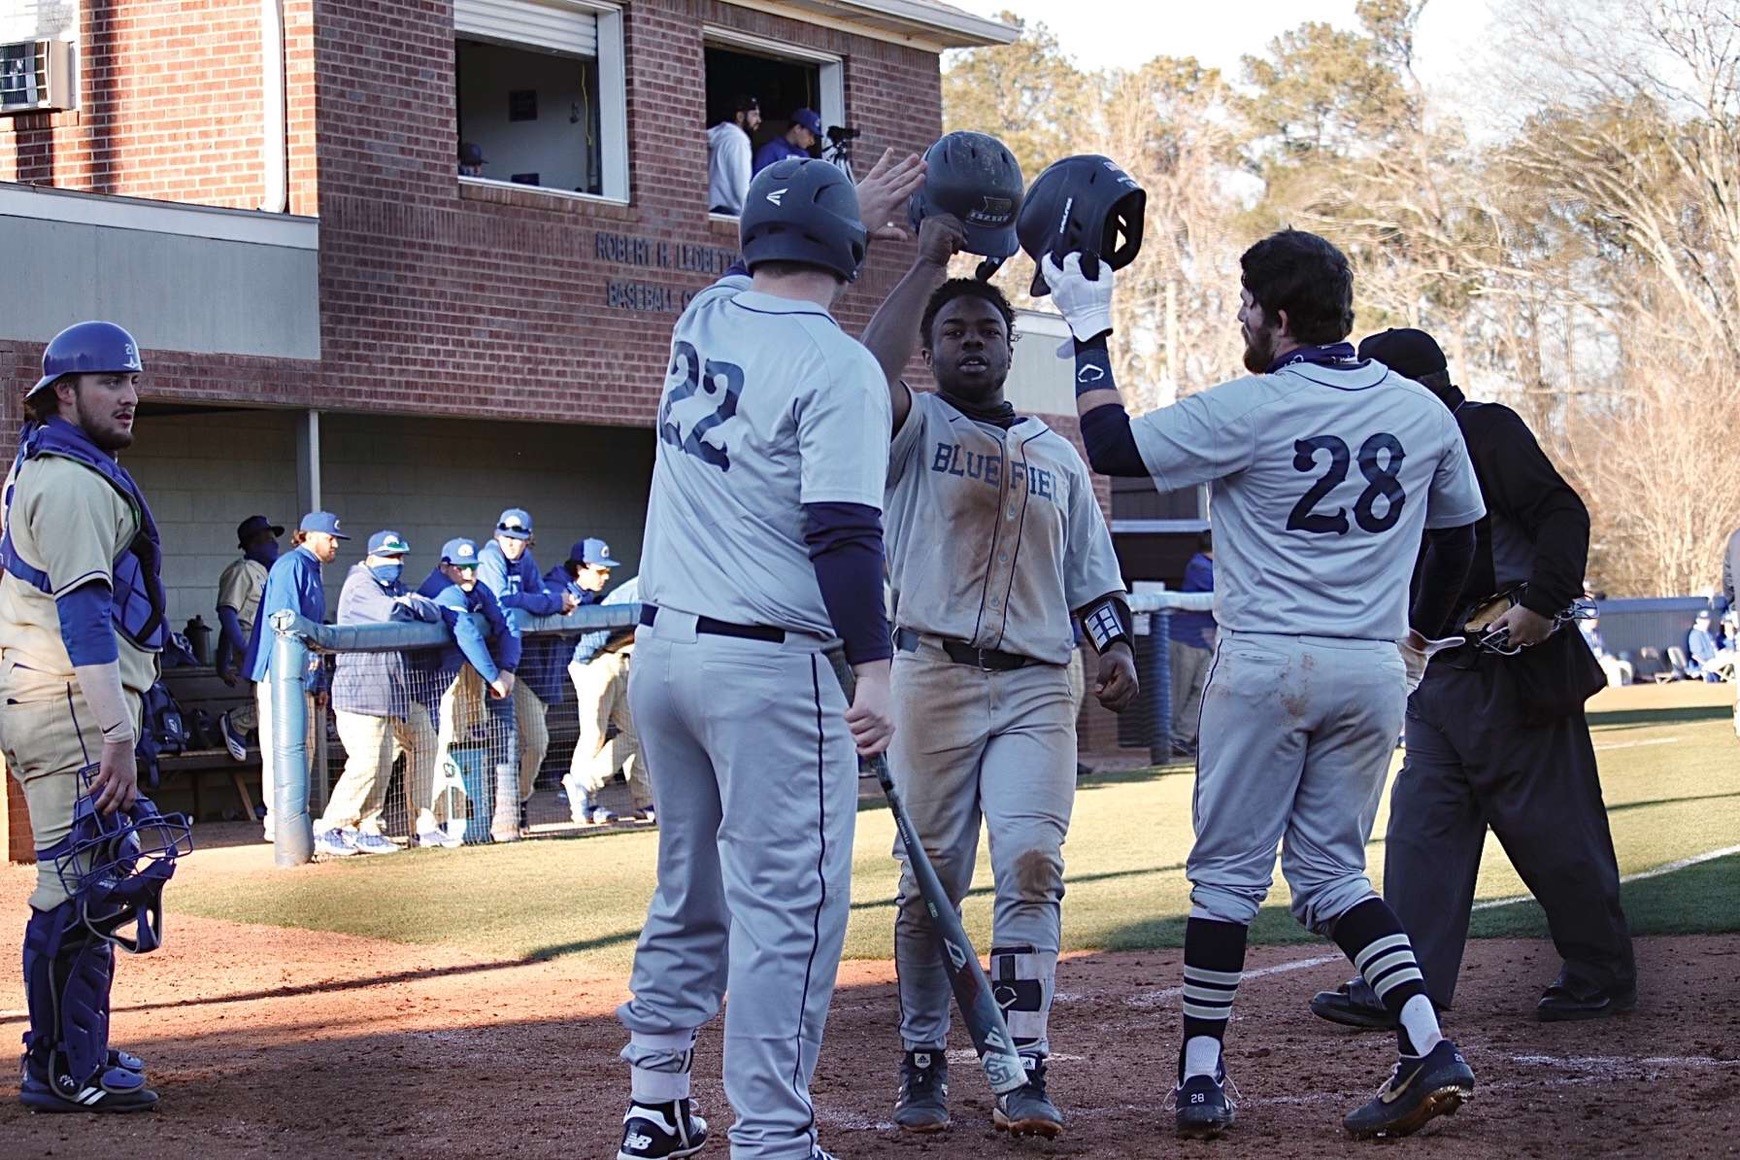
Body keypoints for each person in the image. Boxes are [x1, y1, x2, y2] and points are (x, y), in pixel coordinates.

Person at [1050, 229, 1487, 1140]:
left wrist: (1088, 329)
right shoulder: (1420, 412)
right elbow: (1461, 540)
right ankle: (1426, 1041)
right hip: (1372, 667)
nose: (1241, 316)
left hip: (1268, 662)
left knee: (1225, 880)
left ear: (1280, 316)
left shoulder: (1257, 405)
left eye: (1248, 303)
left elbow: (1113, 446)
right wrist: (1418, 634)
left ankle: (1202, 1076)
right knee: (1333, 872)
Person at [615, 151, 918, 1160]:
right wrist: (874, 665)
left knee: (687, 884)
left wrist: (840, 212)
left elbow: (769, 265)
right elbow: (842, 531)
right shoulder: (838, 367)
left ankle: (656, 1102)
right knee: (789, 904)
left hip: (660, 655)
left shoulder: (700, 318)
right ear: (844, 248)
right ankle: (776, 1135)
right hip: (766, 666)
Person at [859, 212, 1139, 1138]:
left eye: (987, 330)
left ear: (1012, 347)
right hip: (928, 675)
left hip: (1034, 685)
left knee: (1032, 864)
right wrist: (927, 264)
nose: (971, 342)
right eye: (953, 331)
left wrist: (1114, 648)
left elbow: (1093, 576)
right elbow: (870, 375)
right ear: (931, 350)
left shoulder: (1057, 455)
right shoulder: (909, 425)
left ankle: (1023, 1062)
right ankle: (923, 1056)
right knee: (929, 881)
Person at [1305, 327, 1636, 1041]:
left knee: (1554, 829)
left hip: (1514, 666)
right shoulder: (1393, 454)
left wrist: (1541, 606)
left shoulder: (1482, 428)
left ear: (1412, 386)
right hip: (1437, 671)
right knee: (1424, 827)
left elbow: (1562, 513)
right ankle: (1402, 981)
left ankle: (1600, 973)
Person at [1, 321, 177, 1111]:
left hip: (50, 696)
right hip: (72, 702)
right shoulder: (71, 482)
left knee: (81, 884)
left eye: (132, 380)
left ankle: (66, 1056)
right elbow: (83, 616)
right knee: (82, 889)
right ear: (63, 394)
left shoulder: (52, 465)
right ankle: (68, 1070)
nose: (130, 395)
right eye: (109, 381)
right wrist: (116, 734)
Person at [313, 531, 442, 857]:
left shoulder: (393, 587)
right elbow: (392, 613)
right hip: (359, 692)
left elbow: (430, 611)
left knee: (396, 755)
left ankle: (373, 826)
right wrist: (409, 604)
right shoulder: (360, 584)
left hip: (390, 692)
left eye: (399, 558)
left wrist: (411, 602)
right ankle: (331, 826)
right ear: (372, 557)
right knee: (367, 762)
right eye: (389, 558)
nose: (396, 564)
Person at [245, 511, 347, 843]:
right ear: (309, 536)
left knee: (304, 750)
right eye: (330, 538)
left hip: (303, 675)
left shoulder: (311, 569)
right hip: (279, 673)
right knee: (282, 749)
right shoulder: (291, 565)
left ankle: (292, 819)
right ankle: (278, 823)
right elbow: (284, 623)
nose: (335, 544)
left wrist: (319, 682)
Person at [476, 508, 576, 839]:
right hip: (481, 662)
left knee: (531, 744)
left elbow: (540, 595)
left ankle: (515, 803)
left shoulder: (526, 562)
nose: (512, 545)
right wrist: (549, 603)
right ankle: (491, 812)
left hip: (511, 661)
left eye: (519, 540)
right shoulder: (490, 556)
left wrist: (547, 601)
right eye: (507, 537)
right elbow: (502, 598)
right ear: (496, 536)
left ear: (528, 541)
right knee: (484, 741)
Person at [416, 537, 521, 847]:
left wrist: (508, 668)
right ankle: (427, 822)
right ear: (445, 566)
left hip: (446, 679)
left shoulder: (475, 587)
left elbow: (506, 621)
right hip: (418, 682)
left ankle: (440, 822)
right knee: (428, 748)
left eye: (472, 567)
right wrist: (493, 676)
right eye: (460, 568)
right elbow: (466, 631)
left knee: (441, 746)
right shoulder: (442, 589)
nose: (468, 574)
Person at [554, 539, 652, 825]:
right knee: (593, 734)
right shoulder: (639, 588)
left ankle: (596, 788)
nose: (605, 577)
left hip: (620, 659)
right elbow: (594, 636)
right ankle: (585, 803)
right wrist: (585, 663)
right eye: (600, 571)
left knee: (636, 731)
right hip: (595, 661)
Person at [215, 513, 283, 761]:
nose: (274, 543)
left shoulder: (266, 574)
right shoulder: (242, 570)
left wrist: (221, 665)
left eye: (273, 537)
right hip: (253, 644)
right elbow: (226, 613)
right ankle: (237, 722)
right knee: (277, 700)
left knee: (277, 701)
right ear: (252, 544)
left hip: (266, 644)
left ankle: (242, 725)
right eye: (267, 539)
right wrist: (242, 649)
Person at [1169, 530, 1216, 756]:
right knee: (1177, 694)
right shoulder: (1199, 565)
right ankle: (1166, 741)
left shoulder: (1216, 567)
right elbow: (1222, 590)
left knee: (1205, 688)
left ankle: (1180, 737)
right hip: (1184, 640)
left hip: (1203, 642)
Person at [707, 93, 759, 214]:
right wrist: (751, 214)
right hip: (729, 212)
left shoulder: (721, 137)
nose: (758, 120)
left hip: (713, 209)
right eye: (754, 115)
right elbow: (741, 186)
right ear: (740, 116)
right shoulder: (738, 140)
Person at [751, 107, 821, 174]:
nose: (812, 141)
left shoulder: (804, 154)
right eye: (810, 134)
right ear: (798, 128)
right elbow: (759, 182)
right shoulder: (769, 151)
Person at [1580, 615, 1633, 687]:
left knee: (1626, 665)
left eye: (1595, 618)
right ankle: (1616, 692)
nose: (1595, 621)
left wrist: (1610, 657)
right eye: (1591, 618)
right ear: (1584, 620)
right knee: (1613, 668)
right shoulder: (1580, 634)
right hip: (1592, 664)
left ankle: (1628, 691)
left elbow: (1604, 649)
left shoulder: (1596, 633)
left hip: (1603, 660)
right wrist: (1601, 659)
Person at [1687, 610, 1734, 681]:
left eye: (1707, 620)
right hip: (1705, 663)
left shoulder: (1708, 633)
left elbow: (1717, 646)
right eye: (1703, 620)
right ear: (1698, 620)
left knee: (1734, 655)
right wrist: (1716, 655)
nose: (1706, 622)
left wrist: (1728, 643)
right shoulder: (1695, 635)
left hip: (1714, 659)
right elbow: (1699, 654)